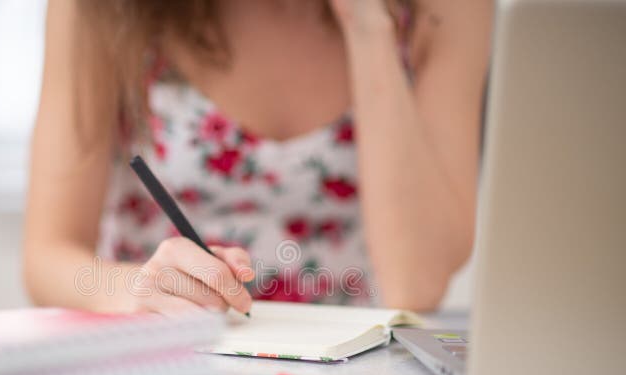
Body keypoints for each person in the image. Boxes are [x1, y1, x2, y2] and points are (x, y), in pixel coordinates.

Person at [24, 0, 492, 315]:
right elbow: (46, 259)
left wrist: (367, 25)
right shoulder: (102, 10)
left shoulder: (444, 11)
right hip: (169, 374)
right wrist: (134, 290)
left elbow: (418, 286)